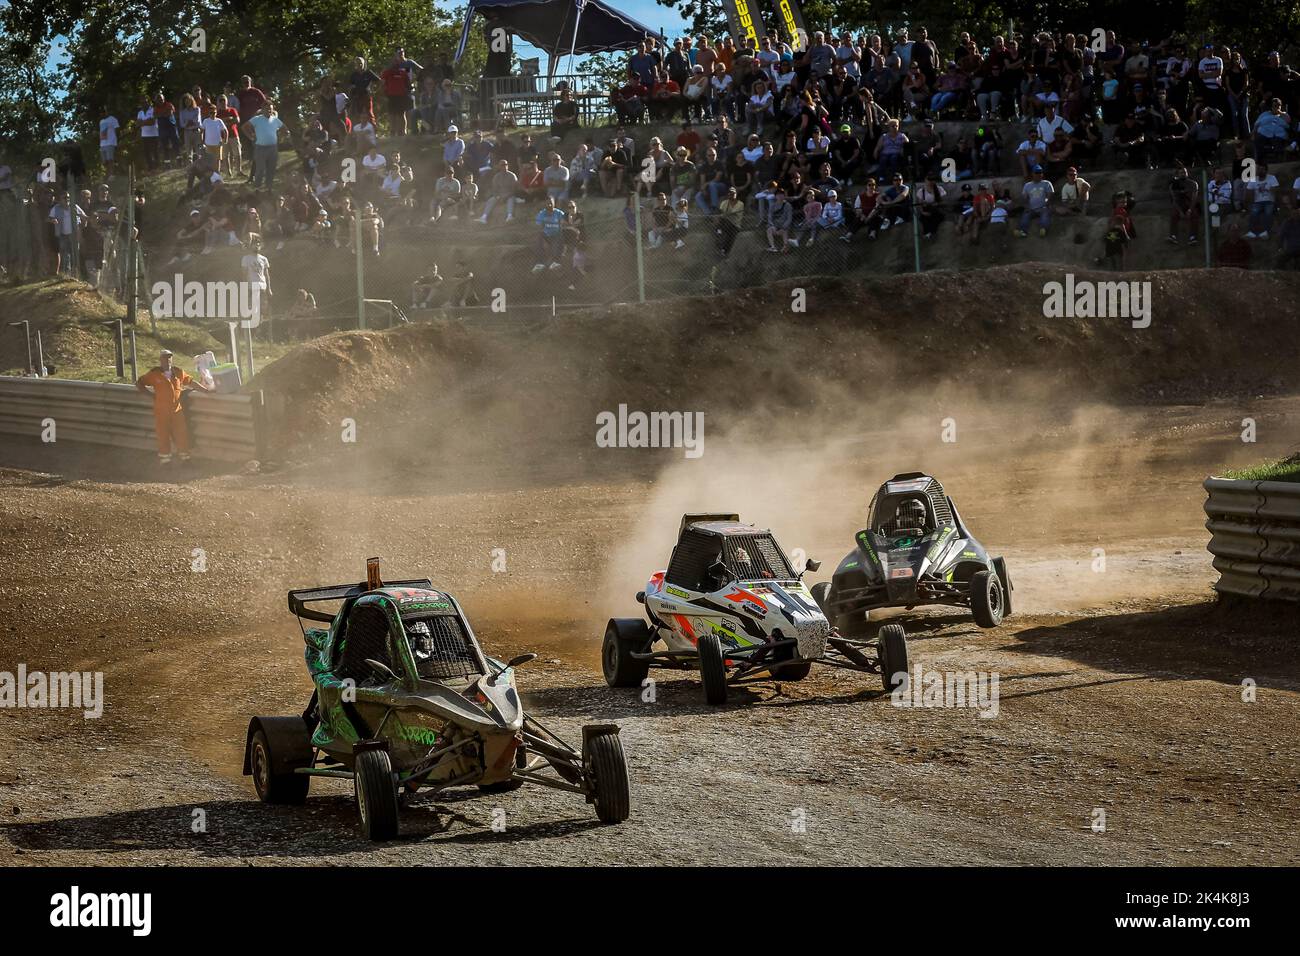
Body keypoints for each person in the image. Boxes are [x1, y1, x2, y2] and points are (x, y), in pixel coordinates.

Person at [136, 349, 212, 464]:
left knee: (181, 433)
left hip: (177, 410)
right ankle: (165, 460)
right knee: (163, 434)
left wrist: (206, 391)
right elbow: (139, 383)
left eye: (169, 357)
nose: (167, 360)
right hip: (161, 410)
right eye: (165, 357)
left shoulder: (178, 372)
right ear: (160, 359)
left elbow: (191, 382)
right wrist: (150, 395)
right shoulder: (154, 374)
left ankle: (185, 458)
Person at [243, 101, 286, 192]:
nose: (269, 110)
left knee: (271, 169)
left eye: (270, 109)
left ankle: (268, 188)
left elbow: (284, 129)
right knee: (260, 170)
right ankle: (257, 188)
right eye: (267, 109)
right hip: (260, 148)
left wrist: (281, 137)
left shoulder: (275, 119)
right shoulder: (257, 119)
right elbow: (244, 127)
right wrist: (251, 137)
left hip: (273, 148)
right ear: (262, 110)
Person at [1017, 165, 1053, 237]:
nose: (1038, 174)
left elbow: (1050, 194)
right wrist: (1027, 206)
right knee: (1025, 215)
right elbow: (1024, 198)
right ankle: (1022, 231)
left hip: (1043, 207)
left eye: (1040, 172)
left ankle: (1043, 230)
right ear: (1032, 174)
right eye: (1036, 173)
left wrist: (1047, 202)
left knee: (1045, 214)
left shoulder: (1047, 183)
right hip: (1032, 209)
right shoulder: (1027, 185)